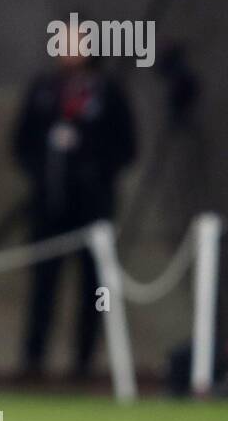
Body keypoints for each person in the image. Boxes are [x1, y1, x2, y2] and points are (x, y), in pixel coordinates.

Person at [13, 23, 136, 379]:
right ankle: (33, 362)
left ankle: (83, 363)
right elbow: (20, 144)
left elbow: (127, 147)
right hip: (49, 207)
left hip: (91, 209)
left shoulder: (108, 92)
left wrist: (90, 162)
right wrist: (43, 167)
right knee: (42, 287)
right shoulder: (43, 90)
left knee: (92, 289)